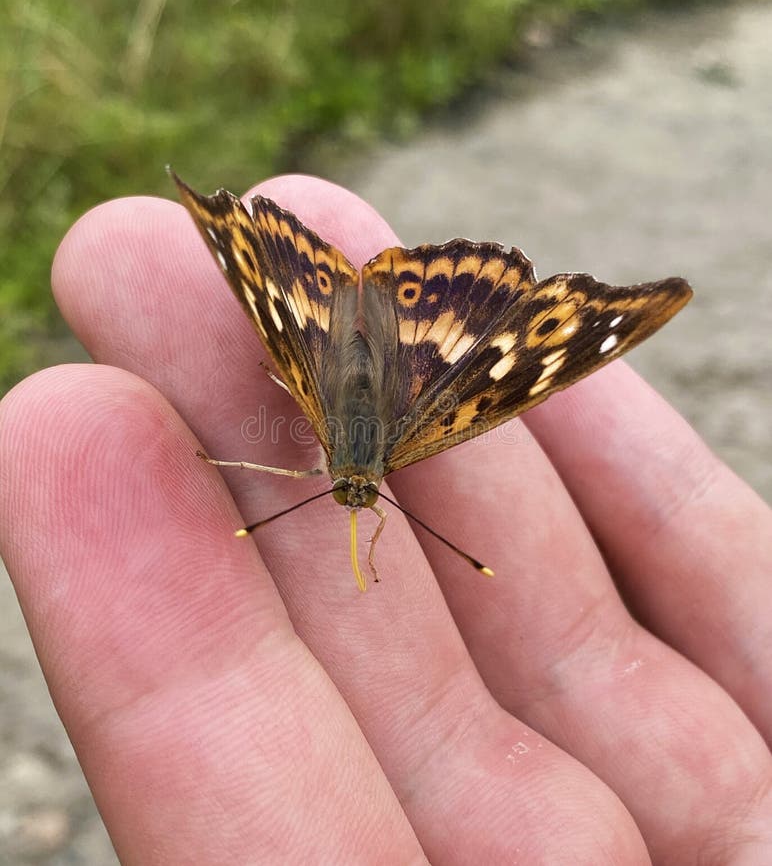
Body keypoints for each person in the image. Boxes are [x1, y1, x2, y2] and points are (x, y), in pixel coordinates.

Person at [1, 175, 770, 864]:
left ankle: (262, 247)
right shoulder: (386, 445)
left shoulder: (352, 453)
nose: (358, 497)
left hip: (327, 331)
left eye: (358, 494)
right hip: (428, 344)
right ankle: (245, 242)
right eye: (356, 493)